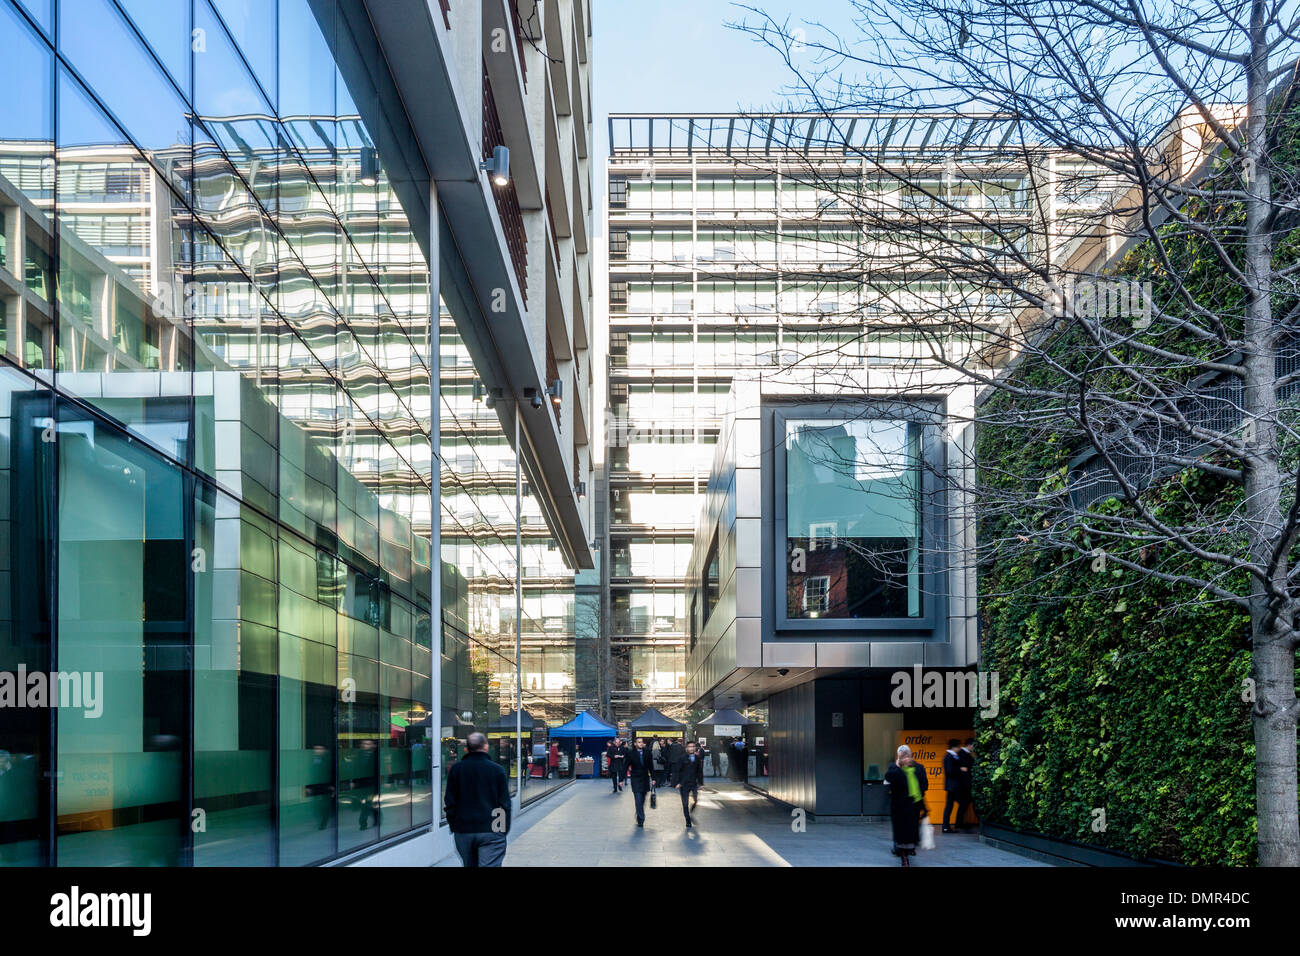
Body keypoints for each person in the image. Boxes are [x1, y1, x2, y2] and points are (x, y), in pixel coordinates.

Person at [444, 732, 511, 867]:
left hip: (464, 830)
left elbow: (450, 802)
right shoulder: (497, 770)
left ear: (466, 749)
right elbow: (505, 804)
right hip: (492, 828)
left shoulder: (456, 770)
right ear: (486, 747)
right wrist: (502, 830)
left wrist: (455, 826)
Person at [883, 744, 928, 866]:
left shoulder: (919, 768)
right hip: (899, 805)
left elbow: (924, 785)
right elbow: (887, 778)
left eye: (907, 755)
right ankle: (903, 855)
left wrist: (919, 797)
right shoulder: (894, 767)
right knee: (900, 829)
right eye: (902, 756)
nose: (905, 758)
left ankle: (909, 848)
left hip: (914, 804)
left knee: (911, 828)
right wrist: (897, 766)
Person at [670, 740, 703, 828]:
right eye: (690, 746)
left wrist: (701, 783)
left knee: (696, 800)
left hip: (693, 783)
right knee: (685, 804)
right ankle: (688, 820)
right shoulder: (682, 758)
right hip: (683, 784)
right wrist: (676, 783)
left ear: (695, 748)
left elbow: (699, 771)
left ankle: (691, 813)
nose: (691, 748)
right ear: (686, 748)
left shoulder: (697, 758)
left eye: (693, 746)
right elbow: (676, 771)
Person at [625, 737, 655, 826]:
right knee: (638, 799)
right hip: (635, 779)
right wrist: (622, 779)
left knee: (643, 799)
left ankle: (639, 813)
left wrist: (653, 778)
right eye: (638, 742)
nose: (640, 744)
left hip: (645, 779)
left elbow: (651, 766)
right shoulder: (630, 753)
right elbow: (625, 766)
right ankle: (641, 819)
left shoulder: (647, 752)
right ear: (635, 743)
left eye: (641, 742)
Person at [942, 739, 964, 833]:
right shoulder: (948, 757)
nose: (959, 748)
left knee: (951, 805)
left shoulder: (953, 756)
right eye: (958, 747)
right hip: (952, 786)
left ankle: (947, 826)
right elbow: (949, 771)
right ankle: (946, 826)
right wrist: (960, 769)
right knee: (950, 806)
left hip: (954, 786)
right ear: (954, 747)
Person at [958, 738, 977, 830]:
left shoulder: (965, 754)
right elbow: (965, 769)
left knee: (965, 804)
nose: (974, 748)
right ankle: (959, 823)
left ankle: (960, 823)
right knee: (965, 804)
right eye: (973, 745)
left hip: (966, 784)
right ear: (969, 745)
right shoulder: (962, 753)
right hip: (965, 785)